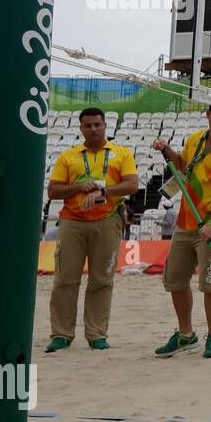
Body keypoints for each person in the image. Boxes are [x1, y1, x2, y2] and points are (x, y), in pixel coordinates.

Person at [151, 105, 211, 359]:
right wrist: (166, 149)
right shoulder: (195, 139)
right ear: (208, 115)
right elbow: (182, 166)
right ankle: (186, 335)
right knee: (175, 279)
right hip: (185, 223)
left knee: (210, 284)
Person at [45, 107, 139, 352]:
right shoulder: (69, 156)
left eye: (97, 124)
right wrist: (78, 186)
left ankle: (96, 334)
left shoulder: (121, 154)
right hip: (72, 221)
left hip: (107, 220)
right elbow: (53, 191)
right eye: (88, 126)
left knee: (102, 279)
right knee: (65, 279)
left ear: (105, 125)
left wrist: (104, 191)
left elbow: (132, 185)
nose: (93, 129)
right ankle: (61, 334)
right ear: (81, 128)